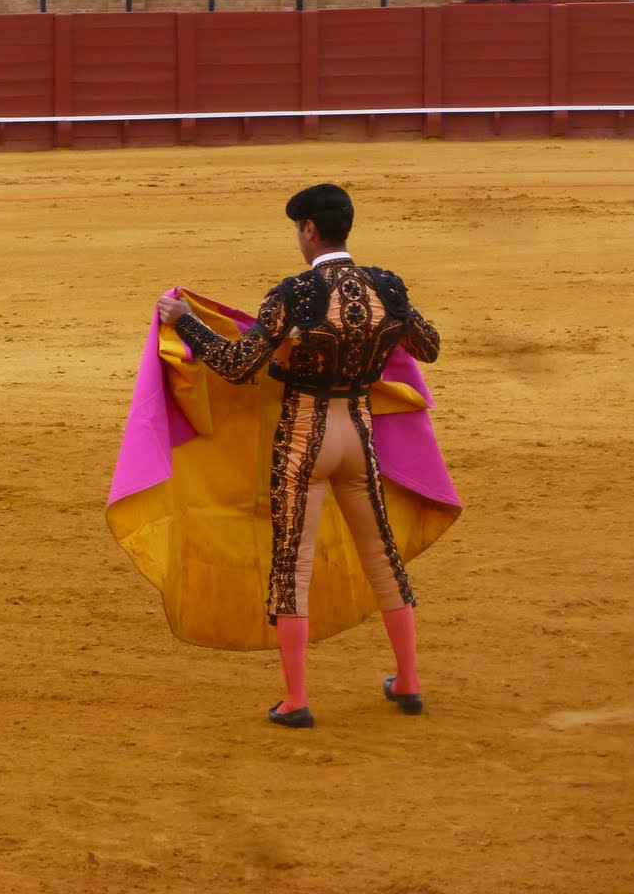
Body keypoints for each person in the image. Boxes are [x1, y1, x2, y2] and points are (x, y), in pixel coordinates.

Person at [156, 184, 442, 728]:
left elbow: (238, 364)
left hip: (304, 438)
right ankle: (408, 681)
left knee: (292, 564)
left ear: (309, 229)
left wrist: (184, 321)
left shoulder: (295, 293)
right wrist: (388, 324)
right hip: (359, 434)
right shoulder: (388, 286)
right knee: (383, 557)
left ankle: (296, 700)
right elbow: (427, 346)